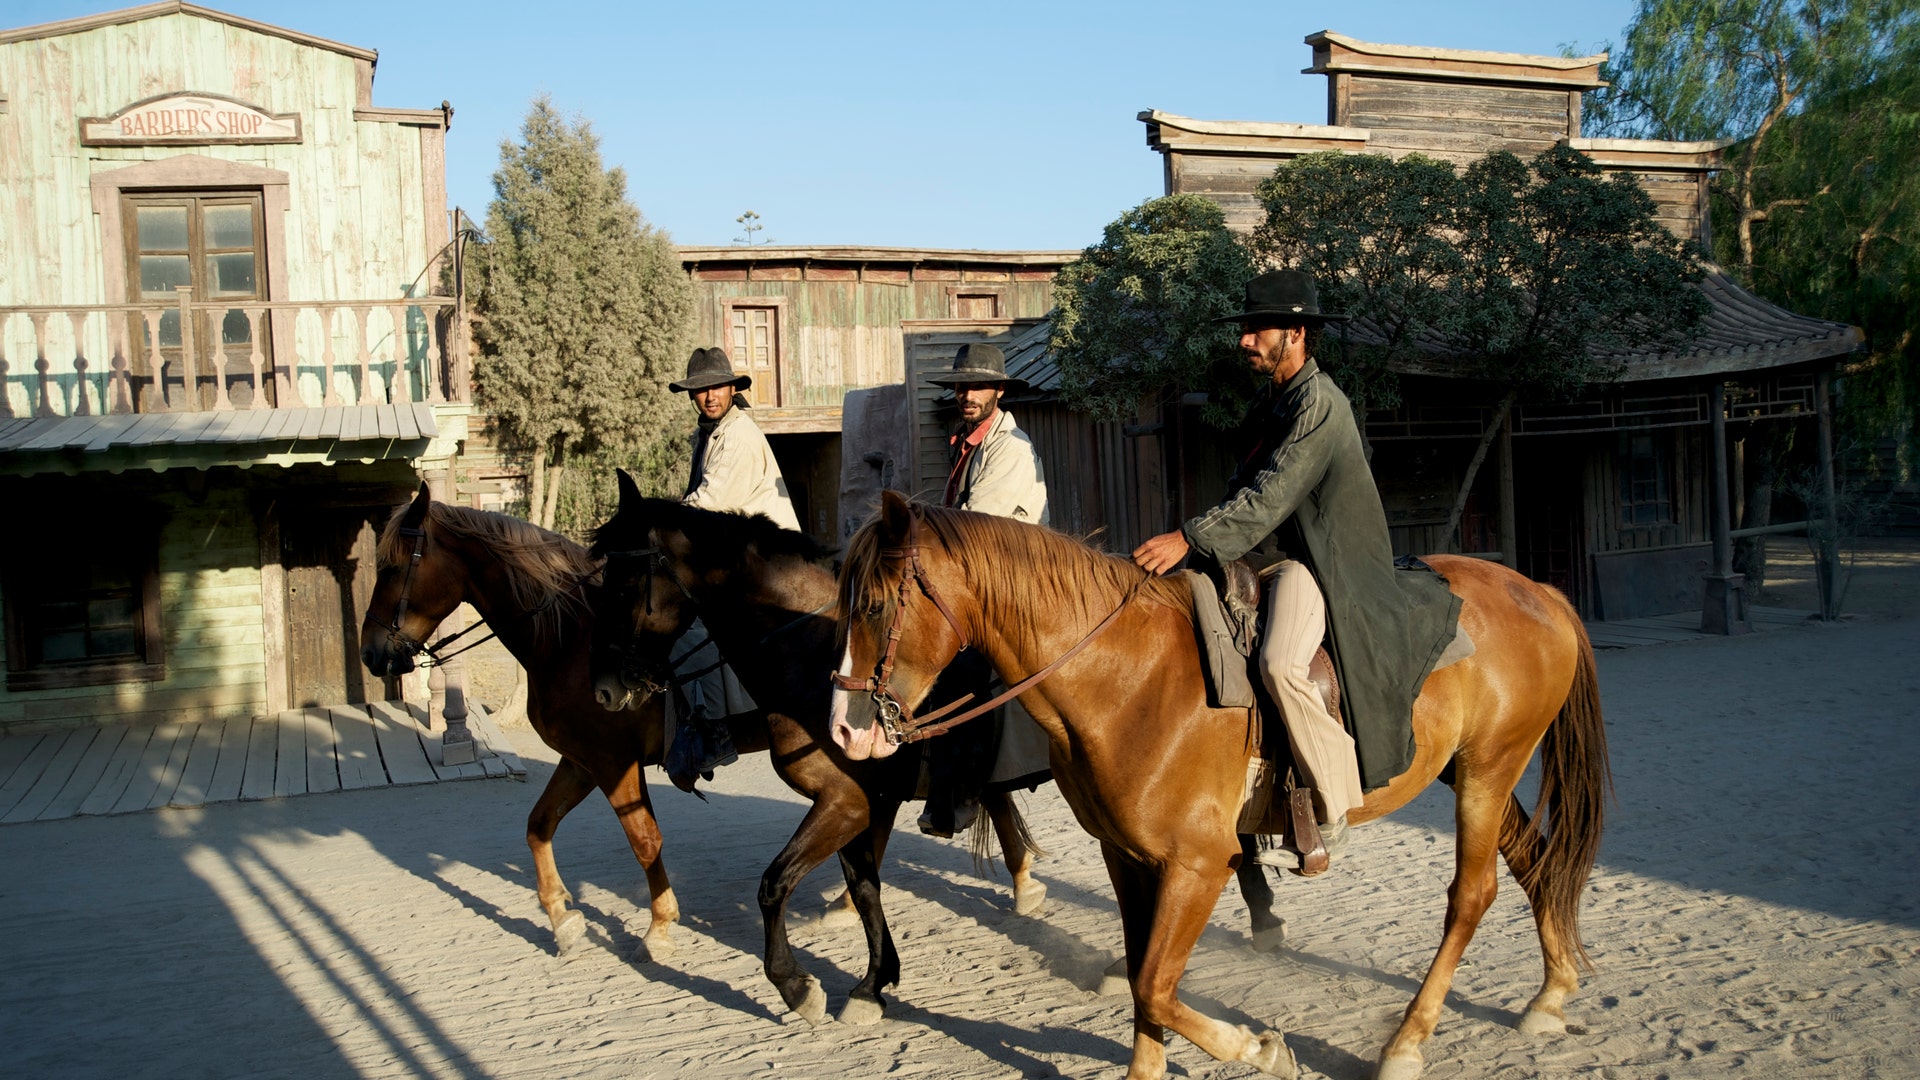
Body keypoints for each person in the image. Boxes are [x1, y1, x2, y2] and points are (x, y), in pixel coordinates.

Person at [1131, 270, 1459, 866]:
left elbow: (1270, 499)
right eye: (1247, 329)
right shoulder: (1272, 402)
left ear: (1297, 333)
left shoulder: (1320, 404)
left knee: (1281, 665)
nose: (1245, 341)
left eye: (1257, 329)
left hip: (1318, 562)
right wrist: (1198, 544)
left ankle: (1333, 809)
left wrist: (1190, 538)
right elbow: (1241, 490)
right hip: (1269, 557)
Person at [918, 343, 1050, 837]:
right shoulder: (968, 441)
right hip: (978, 581)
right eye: (960, 386)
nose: (966, 394)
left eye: (976, 386)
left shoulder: (1009, 449)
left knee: (965, 671)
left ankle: (965, 793)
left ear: (998, 390)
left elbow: (974, 530)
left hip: (1011, 583)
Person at [663, 346, 801, 791]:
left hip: (767, 563)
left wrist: (657, 524)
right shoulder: (710, 434)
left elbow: (708, 505)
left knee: (689, 627)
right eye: (700, 390)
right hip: (741, 557)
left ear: (731, 389)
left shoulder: (738, 435)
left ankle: (717, 729)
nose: (709, 396)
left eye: (716, 387)